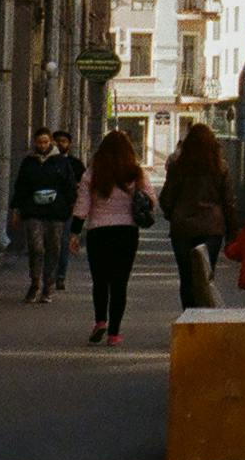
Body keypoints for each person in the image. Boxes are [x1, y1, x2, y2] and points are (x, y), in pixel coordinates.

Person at [71, 130, 152, 343]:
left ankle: (100, 321)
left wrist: (74, 232)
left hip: (98, 231)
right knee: (120, 282)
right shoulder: (135, 172)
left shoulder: (93, 172)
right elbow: (151, 199)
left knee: (100, 280)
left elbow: (82, 205)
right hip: (126, 232)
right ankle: (114, 334)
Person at [159, 123, 240, 310]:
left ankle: (189, 322)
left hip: (183, 229)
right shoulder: (220, 168)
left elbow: (166, 198)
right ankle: (204, 319)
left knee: (186, 277)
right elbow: (229, 202)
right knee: (205, 277)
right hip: (211, 229)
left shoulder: (177, 166)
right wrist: (232, 233)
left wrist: (174, 215)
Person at [9, 128, 79, 302]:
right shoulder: (29, 162)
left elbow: (70, 186)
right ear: (35, 142)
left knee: (53, 248)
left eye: (46, 142)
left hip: (55, 213)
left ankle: (48, 286)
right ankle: (35, 282)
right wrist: (16, 209)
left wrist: (70, 207)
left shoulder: (61, 162)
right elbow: (21, 187)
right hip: (34, 211)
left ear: (51, 143)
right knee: (36, 247)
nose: (42, 145)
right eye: (39, 142)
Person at [50, 128, 78, 290]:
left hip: (66, 209)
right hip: (46, 210)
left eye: (64, 141)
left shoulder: (75, 164)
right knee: (47, 243)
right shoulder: (43, 162)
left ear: (70, 144)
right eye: (57, 141)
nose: (60, 144)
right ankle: (46, 276)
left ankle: (60, 276)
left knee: (62, 242)